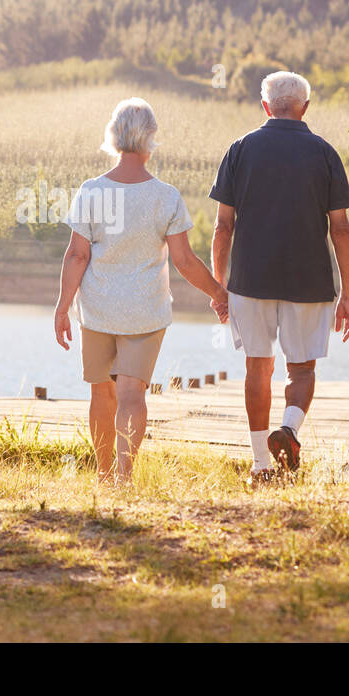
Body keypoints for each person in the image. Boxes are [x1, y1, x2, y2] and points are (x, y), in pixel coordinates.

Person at [55, 97, 228, 483]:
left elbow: (76, 256)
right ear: (151, 138)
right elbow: (184, 261)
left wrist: (62, 308)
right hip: (145, 313)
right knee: (133, 395)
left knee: (102, 395)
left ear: (114, 136)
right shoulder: (165, 196)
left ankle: (102, 476)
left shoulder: (91, 191)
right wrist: (218, 292)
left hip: (98, 310)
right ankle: (124, 478)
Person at [210, 71, 349, 488]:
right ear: (305, 108)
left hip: (250, 281)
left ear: (265, 106)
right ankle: (289, 430)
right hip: (309, 282)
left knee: (257, 367)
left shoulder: (240, 149)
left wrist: (220, 286)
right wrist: (347, 293)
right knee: (302, 368)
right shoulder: (324, 153)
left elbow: (224, 227)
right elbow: (341, 229)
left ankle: (261, 464)